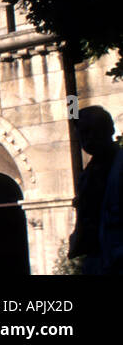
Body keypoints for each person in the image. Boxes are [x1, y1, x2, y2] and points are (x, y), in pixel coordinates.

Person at [70, 106, 123, 273]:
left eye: (94, 131)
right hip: (97, 257)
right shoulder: (88, 173)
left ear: (109, 130)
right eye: (84, 133)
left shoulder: (118, 164)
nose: (89, 138)